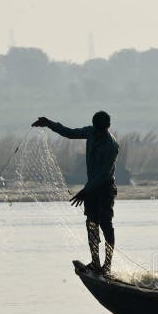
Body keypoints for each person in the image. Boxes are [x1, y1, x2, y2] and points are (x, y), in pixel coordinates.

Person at [32, 111, 120, 275]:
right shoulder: (90, 132)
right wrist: (49, 123)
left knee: (106, 224)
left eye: (101, 130)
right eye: (96, 129)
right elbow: (70, 133)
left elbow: (103, 176)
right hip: (90, 190)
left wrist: (84, 192)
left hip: (105, 190)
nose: (97, 133)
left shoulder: (111, 146)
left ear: (107, 128)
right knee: (91, 224)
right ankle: (95, 262)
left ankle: (107, 266)